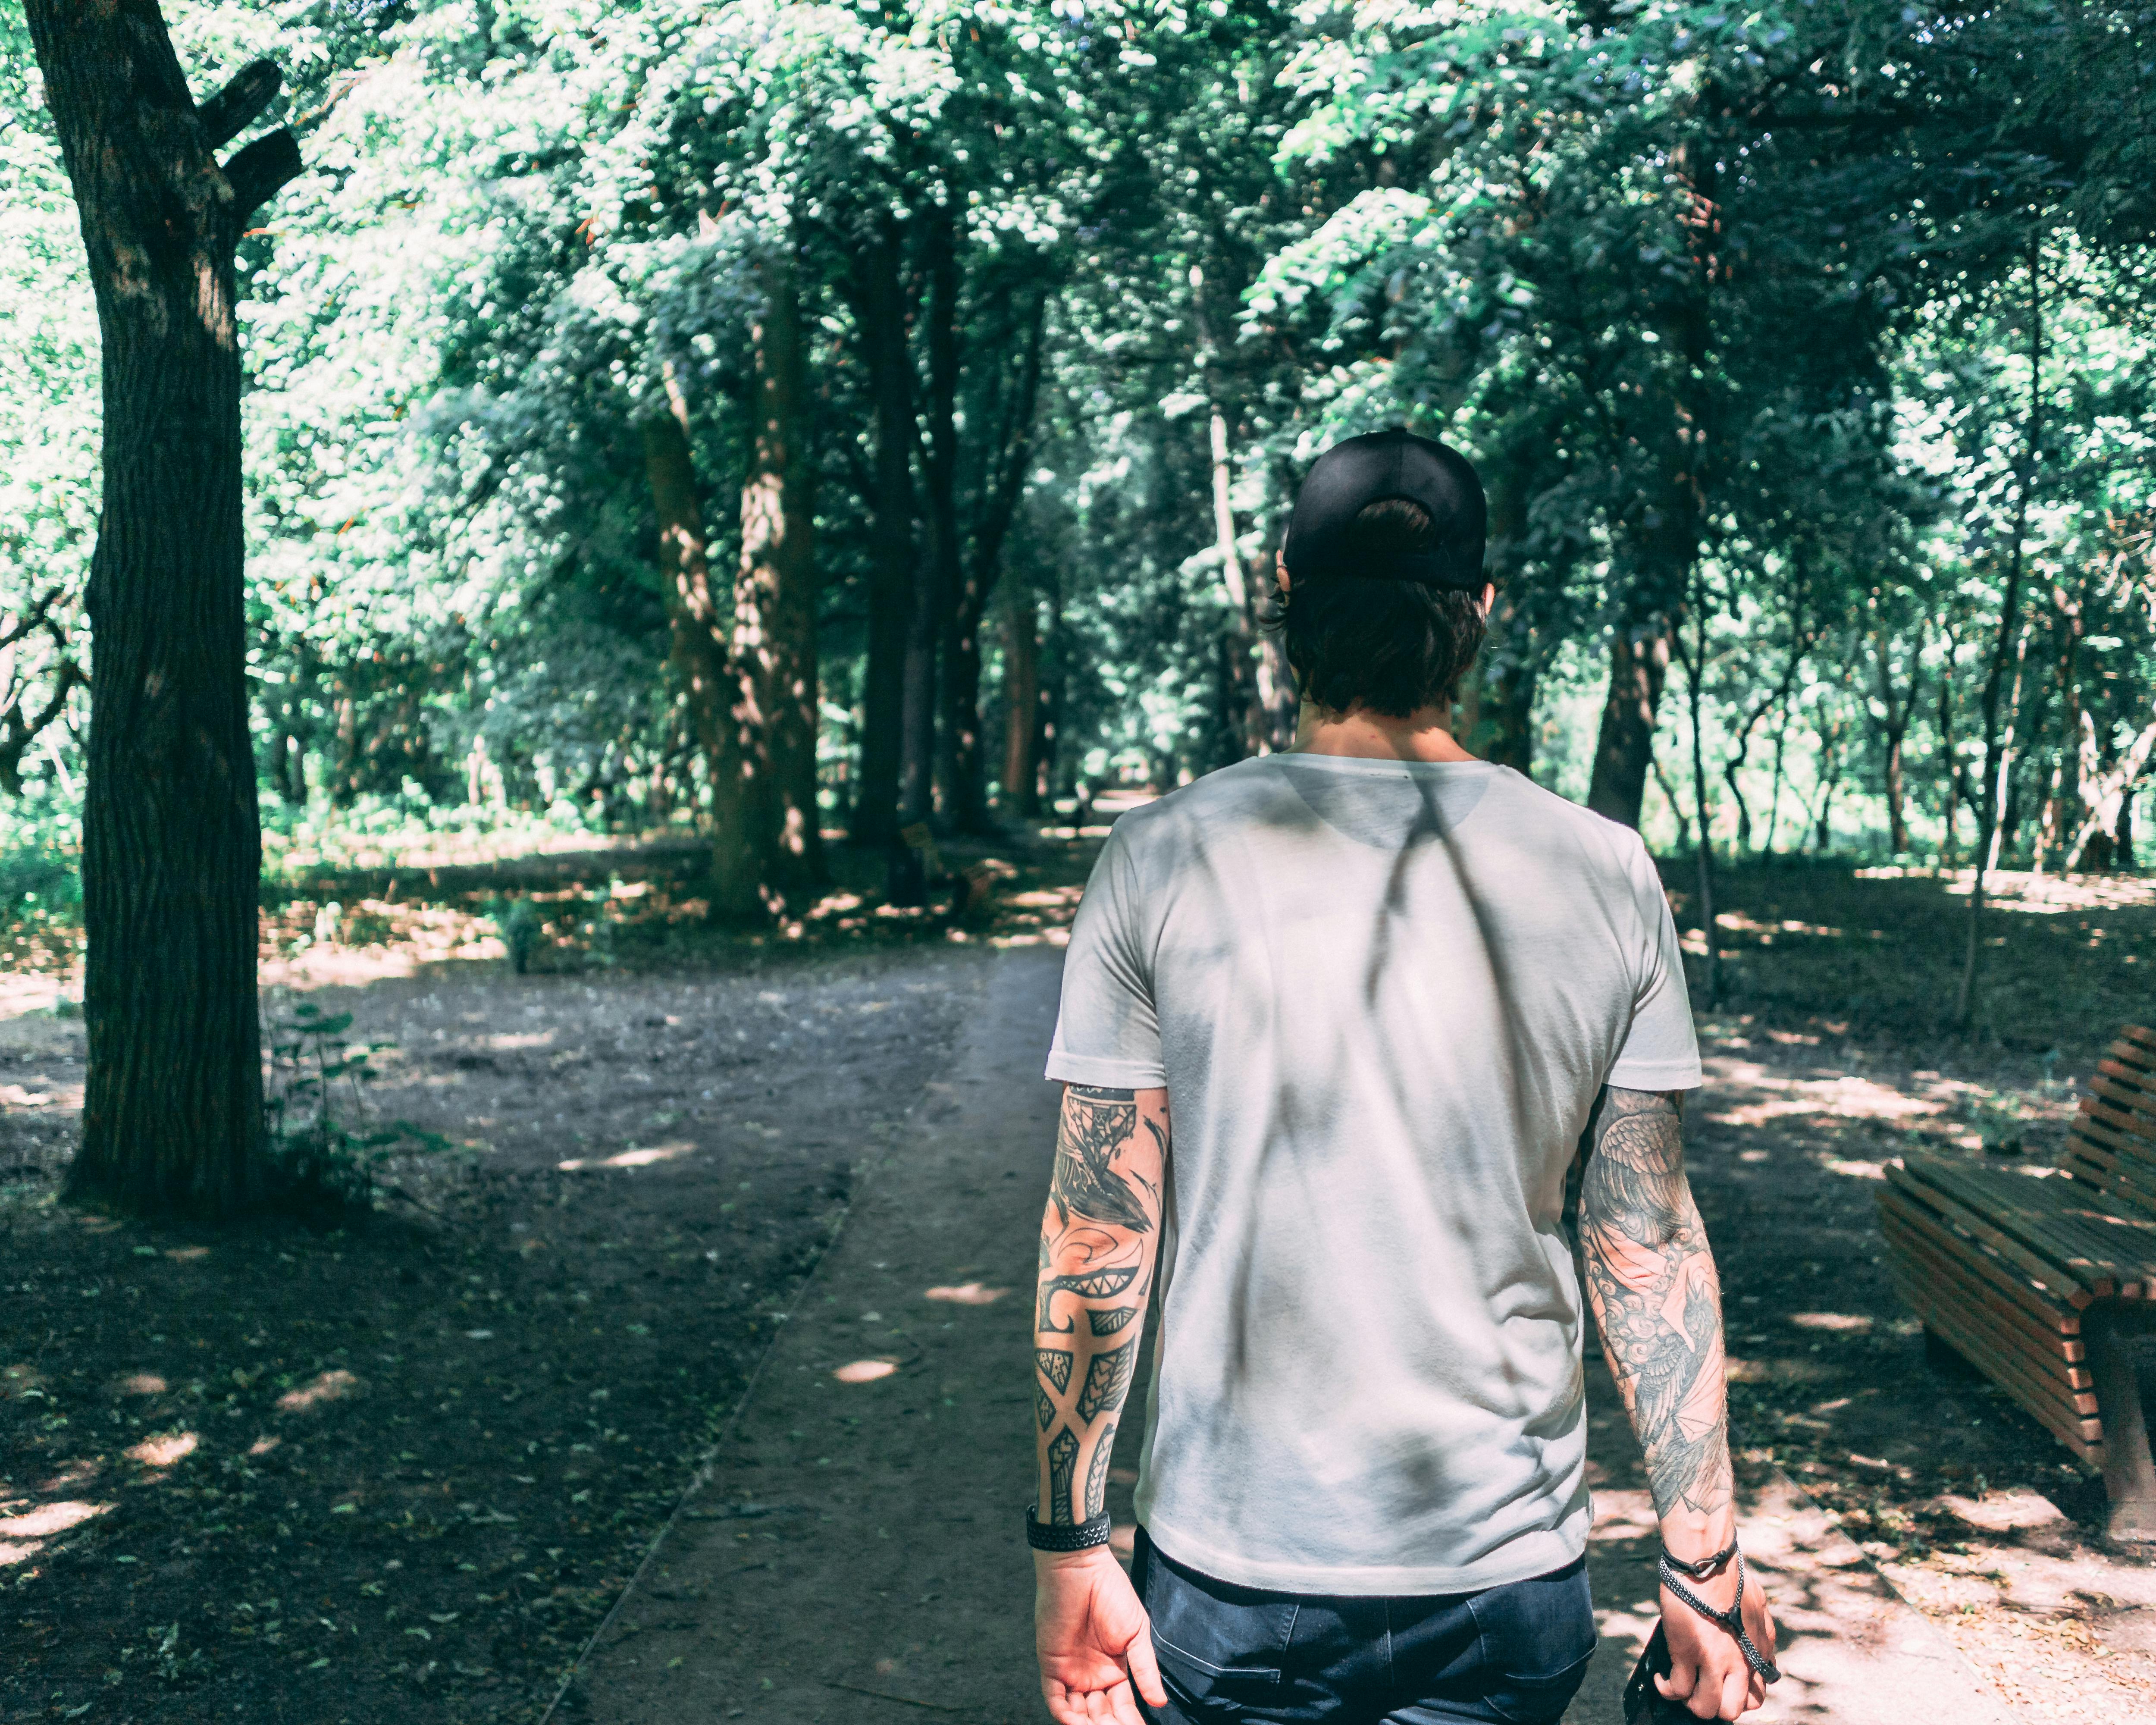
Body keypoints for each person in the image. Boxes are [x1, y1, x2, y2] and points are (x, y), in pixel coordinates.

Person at [1025, 429, 1777, 1725]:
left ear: (1284, 598)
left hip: (1230, 1575)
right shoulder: (1604, 872)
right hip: (1506, 1576)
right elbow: (1645, 1242)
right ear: (1482, 610)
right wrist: (1701, 1558)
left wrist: (1069, 1543)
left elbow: (1101, 1227)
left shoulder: (1159, 860)